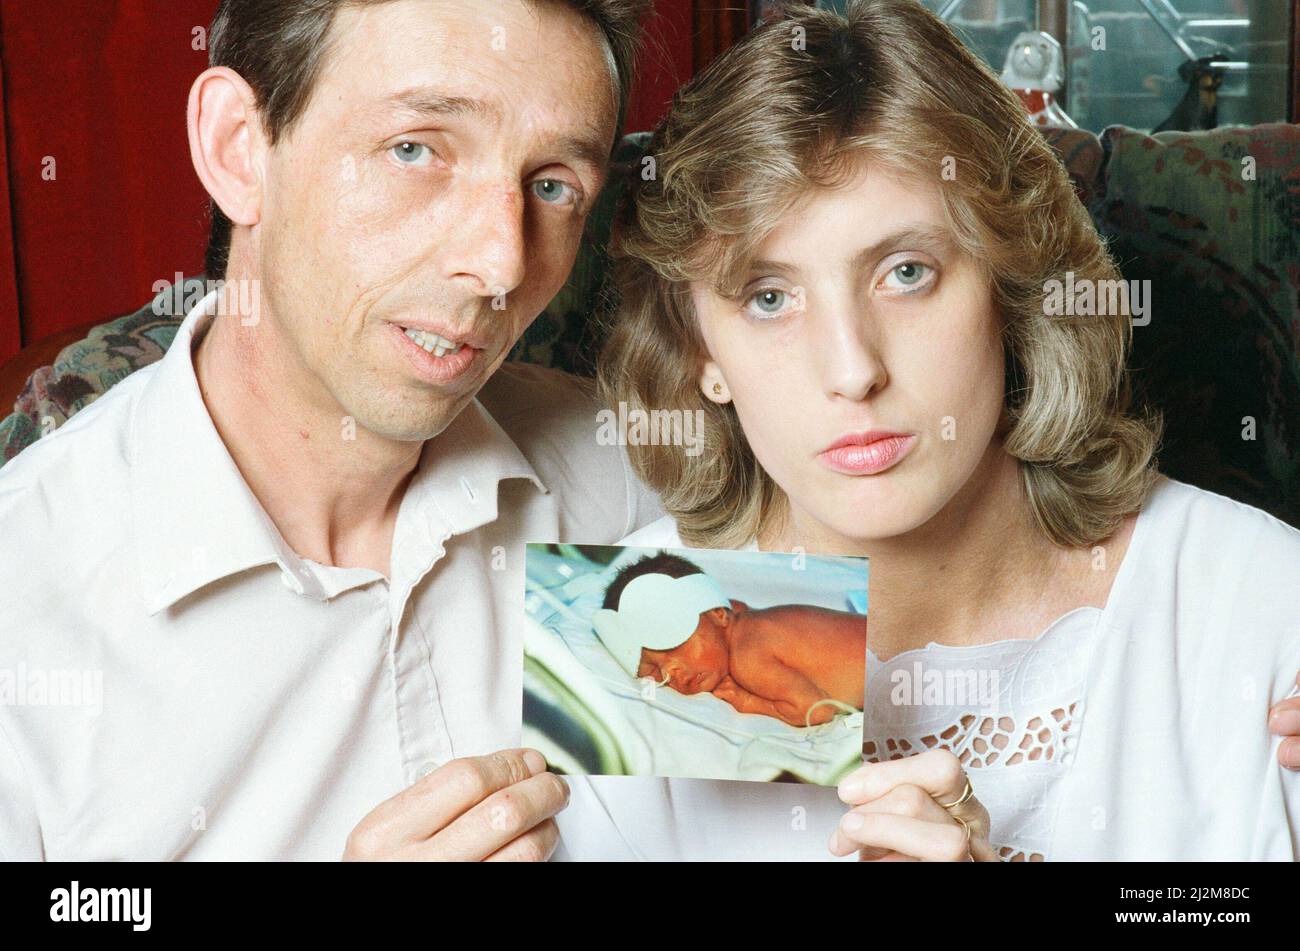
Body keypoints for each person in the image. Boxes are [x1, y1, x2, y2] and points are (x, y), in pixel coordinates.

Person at [554, 0, 1300, 861]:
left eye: (906, 272)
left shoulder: (1256, 608)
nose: (852, 369)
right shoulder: (623, 636)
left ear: (1011, 285)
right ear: (698, 350)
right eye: (768, 297)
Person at [0, 0, 662, 861]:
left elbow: (830, 751)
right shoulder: (27, 615)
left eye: (552, 186)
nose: (501, 261)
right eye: (415, 149)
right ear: (240, 146)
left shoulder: (638, 480)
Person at [595, 552, 866, 726]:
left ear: (719, 614)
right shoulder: (750, 621)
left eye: (672, 643)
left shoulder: (748, 656)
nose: (670, 671)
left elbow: (816, 710)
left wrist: (746, 701)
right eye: (653, 671)